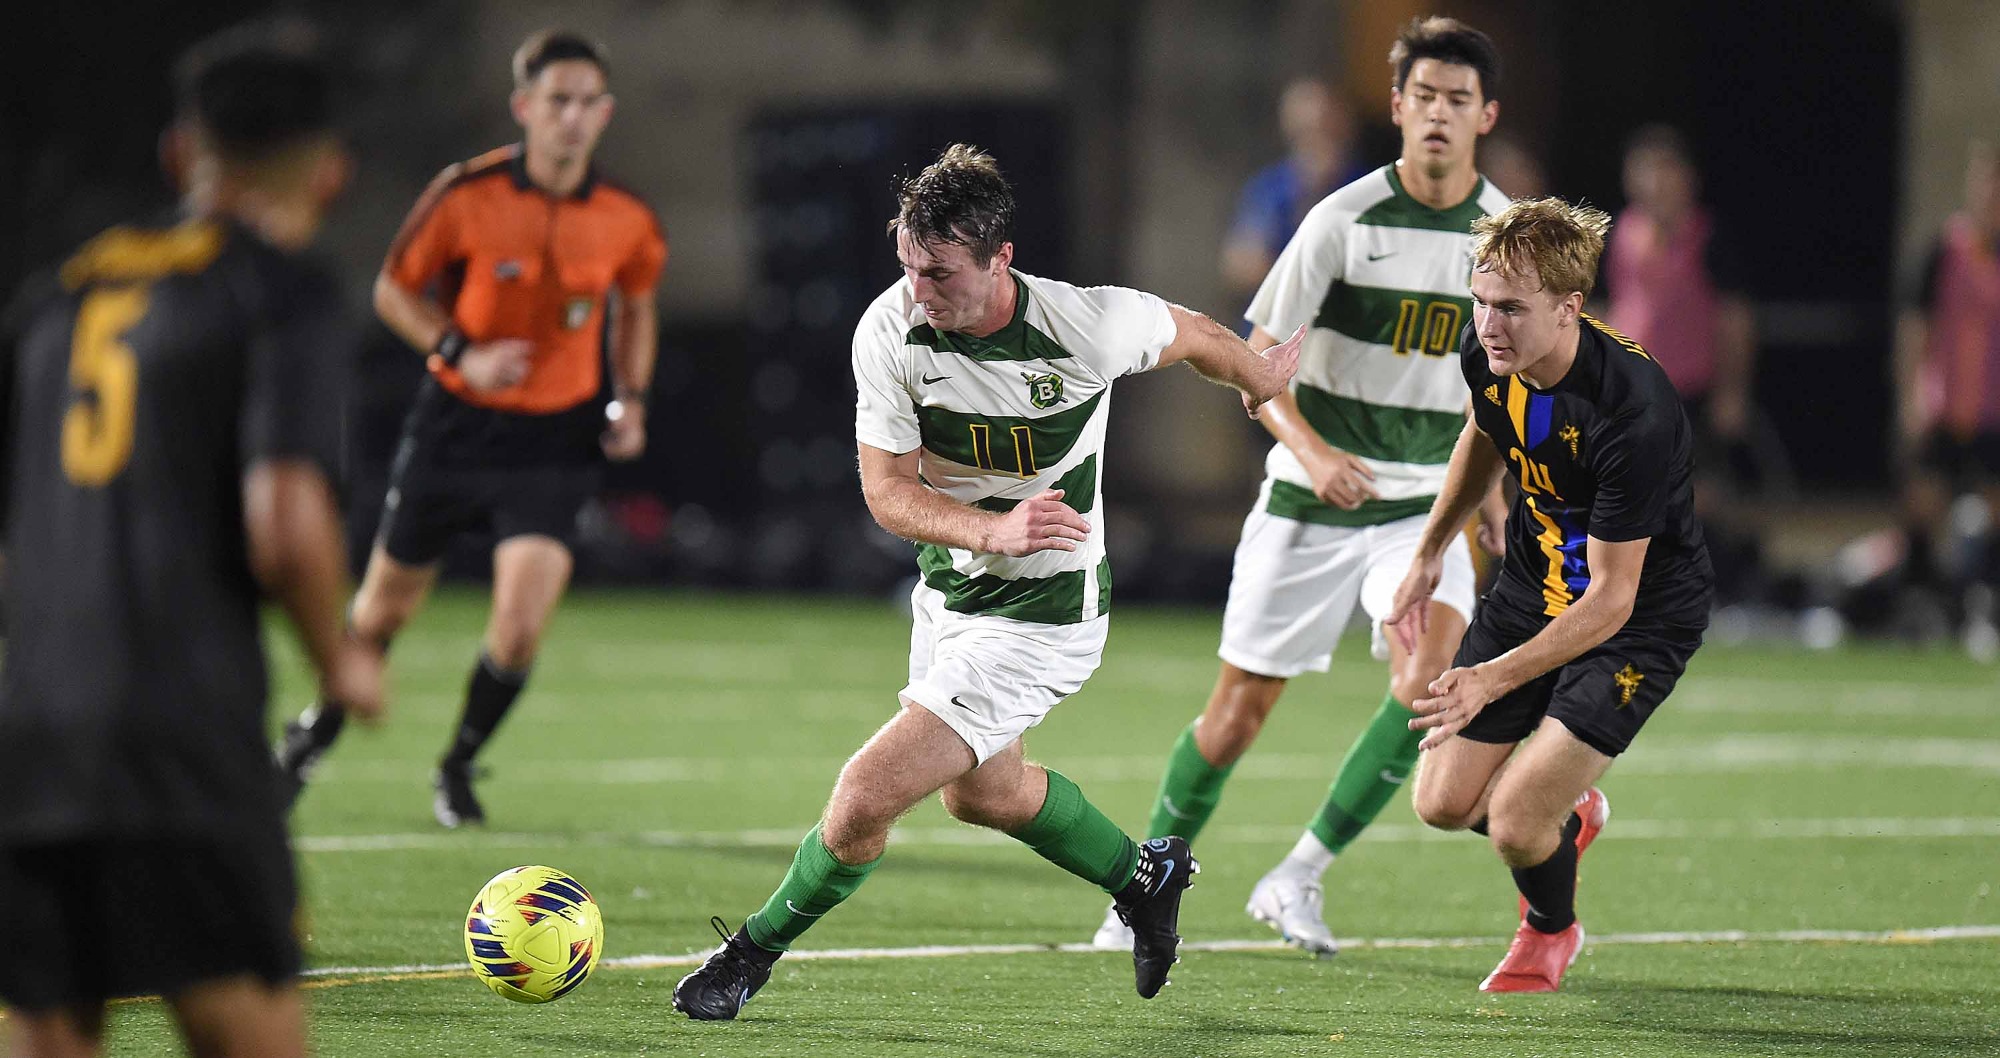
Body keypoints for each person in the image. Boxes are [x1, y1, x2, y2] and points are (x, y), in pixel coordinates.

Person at [670, 144, 1303, 1021]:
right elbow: (886, 491)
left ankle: (748, 956)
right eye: (907, 265)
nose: (918, 290)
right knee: (986, 794)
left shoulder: (1084, 326)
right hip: (950, 597)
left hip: (1046, 616)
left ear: (1000, 260)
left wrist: (1260, 375)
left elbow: (1191, 332)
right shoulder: (889, 331)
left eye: (939, 272)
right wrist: (988, 530)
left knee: (863, 798)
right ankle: (1146, 876)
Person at [0, 26, 382, 1057]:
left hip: (31, 743)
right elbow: (285, 521)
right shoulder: (277, 290)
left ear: (181, 151)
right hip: (180, 741)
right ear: (331, 170)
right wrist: (340, 660)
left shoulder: (59, 295)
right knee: (240, 1024)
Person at [1097, 15, 1509, 958]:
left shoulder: (1502, 237)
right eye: (1425, 97)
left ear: (1487, 114)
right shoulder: (1341, 222)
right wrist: (1316, 455)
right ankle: (1146, 887)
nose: (1440, 115)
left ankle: (1300, 875)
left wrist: (1488, 494)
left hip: (1421, 511)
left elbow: (1507, 384)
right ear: (1397, 106)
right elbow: (1251, 367)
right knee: (1235, 717)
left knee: (1428, 692)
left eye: (1459, 100)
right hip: (1308, 503)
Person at [276, 28, 667, 826]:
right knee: (382, 613)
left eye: (588, 102)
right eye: (557, 100)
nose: (573, 117)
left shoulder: (626, 216)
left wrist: (629, 397)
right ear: (524, 107)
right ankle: (318, 728)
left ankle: (456, 766)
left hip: (555, 440)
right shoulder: (468, 193)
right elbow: (394, 289)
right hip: (455, 425)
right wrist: (463, 350)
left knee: (519, 630)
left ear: (607, 114)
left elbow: (637, 305)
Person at [1384, 197, 1714, 993]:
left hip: (1638, 619)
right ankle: (1571, 817)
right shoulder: (1491, 355)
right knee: (1440, 803)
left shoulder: (1631, 412)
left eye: (1511, 309)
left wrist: (1490, 678)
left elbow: (1611, 600)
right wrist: (1429, 552)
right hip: (1535, 587)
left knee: (1515, 824)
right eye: (1480, 302)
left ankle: (1550, 929)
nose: (1488, 325)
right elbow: (1482, 435)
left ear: (1570, 309)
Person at [1601, 125, 1765, 605]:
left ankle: (1722, 590)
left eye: (1665, 173)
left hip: (1691, 389)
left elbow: (1735, 321)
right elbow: (1605, 309)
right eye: (1646, 173)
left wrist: (1733, 391)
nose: (1656, 184)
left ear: (1686, 179)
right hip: (1633, 395)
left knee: (1700, 495)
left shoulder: (1709, 239)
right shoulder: (1619, 235)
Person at [1892, 141, 2000, 648]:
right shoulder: (1944, 249)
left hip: (1993, 408)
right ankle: (1922, 602)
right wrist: (1911, 397)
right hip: (1945, 404)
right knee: (1924, 502)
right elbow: (1915, 327)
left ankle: (1984, 604)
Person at [1220, 77, 1370, 306]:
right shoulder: (1270, 189)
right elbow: (1241, 264)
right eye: (1306, 130)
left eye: (1326, 127)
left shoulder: (1366, 188)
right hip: (1276, 329)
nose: (1317, 139)